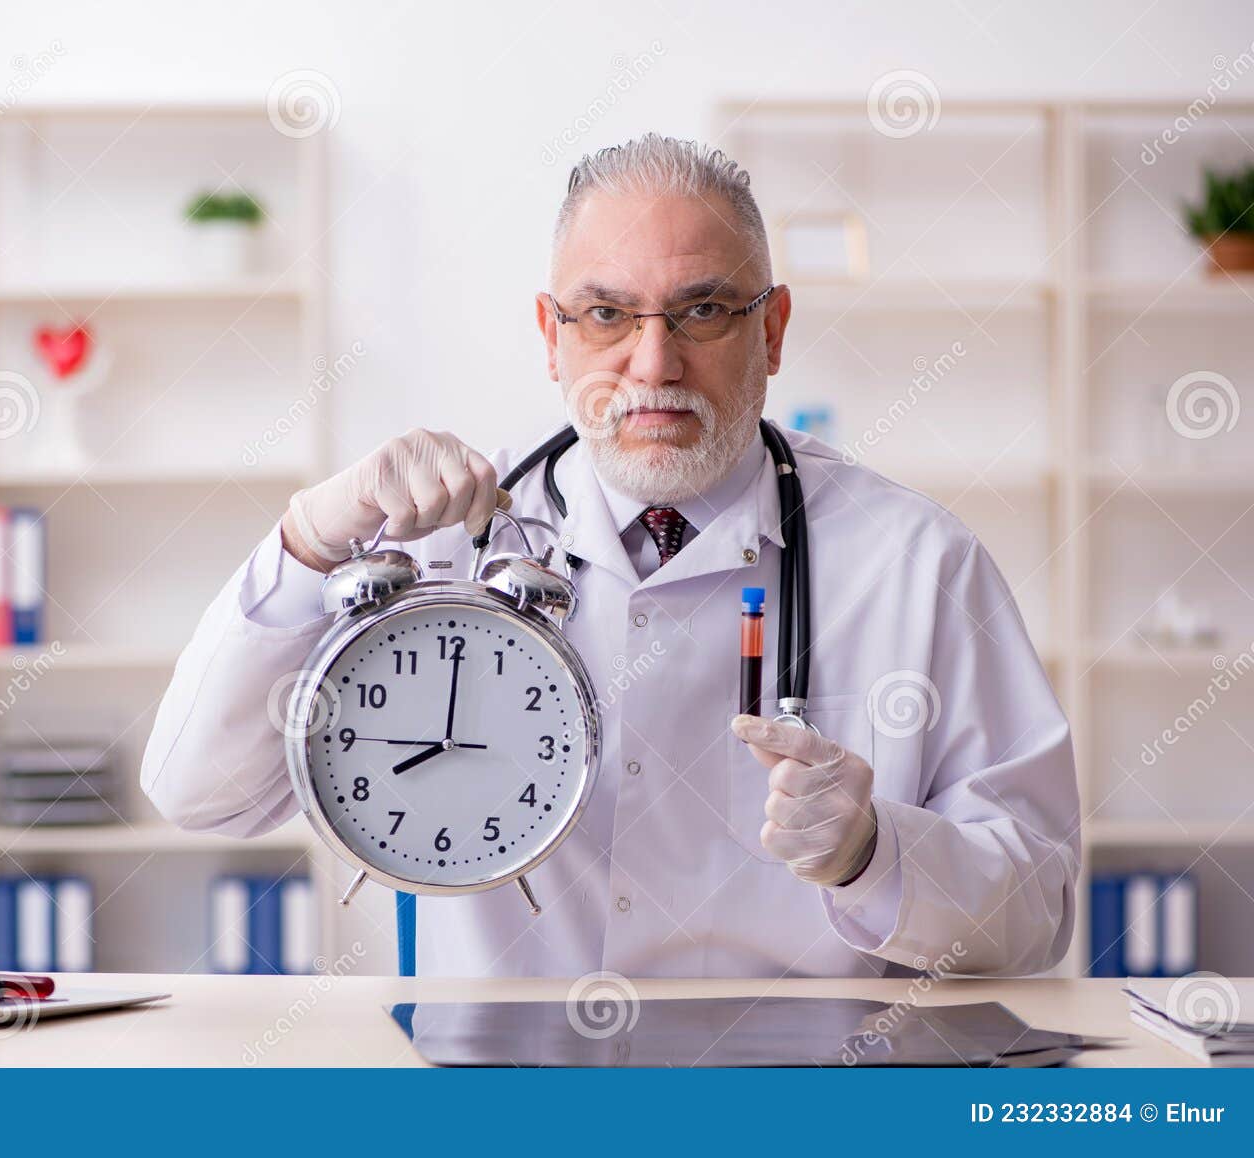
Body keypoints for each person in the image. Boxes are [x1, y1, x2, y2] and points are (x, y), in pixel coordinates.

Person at [142, 133, 1079, 979]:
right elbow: (200, 798)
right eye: (606, 314)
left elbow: (1039, 916)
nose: (653, 362)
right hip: (506, 1095)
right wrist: (306, 540)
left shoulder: (920, 565)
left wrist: (874, 854)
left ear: (774, 330)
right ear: (552, 337)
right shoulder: (434, 538)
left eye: (702, 309)